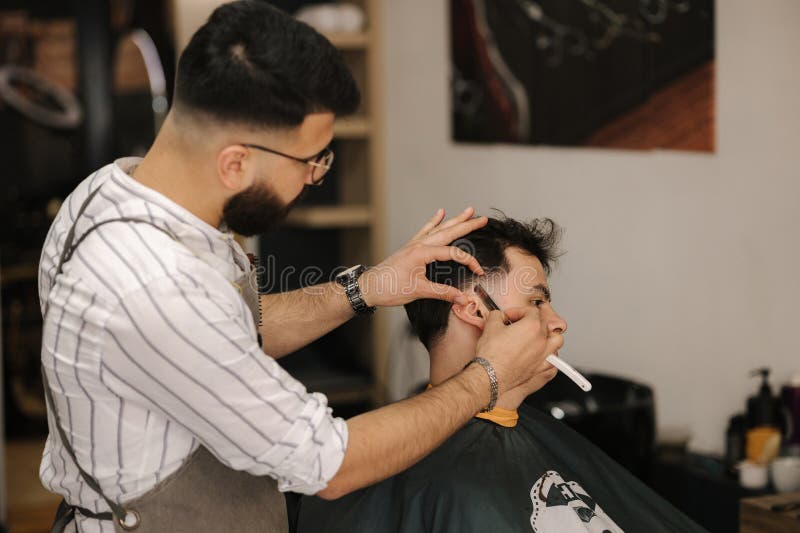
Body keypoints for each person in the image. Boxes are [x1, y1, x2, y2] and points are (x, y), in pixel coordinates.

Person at [37, 3, 563, 532]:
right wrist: (488, 377)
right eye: (310, 162)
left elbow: (232, 335)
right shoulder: (154, 284)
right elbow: (328, 463)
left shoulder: (109, 192)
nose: (314, 179)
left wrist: (366, 288)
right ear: (235, 161)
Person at [296, 216, 707, 533]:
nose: (558, 322)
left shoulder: (536, 436)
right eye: (537, 302)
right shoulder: (431, 481)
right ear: (476, 309)